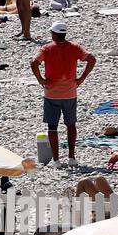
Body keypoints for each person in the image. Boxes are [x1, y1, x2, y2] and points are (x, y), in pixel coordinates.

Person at [30, 21, 95, 165]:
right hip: (70, 93)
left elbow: (34, 63)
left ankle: (56, 160)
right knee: (71, 125)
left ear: (53, 34)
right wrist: (81, 78)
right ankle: (71, 157)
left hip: (51, 94)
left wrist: (40, 79)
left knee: (52, 127)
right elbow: (91, 59)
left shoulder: (46, 49)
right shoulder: (75, 47)